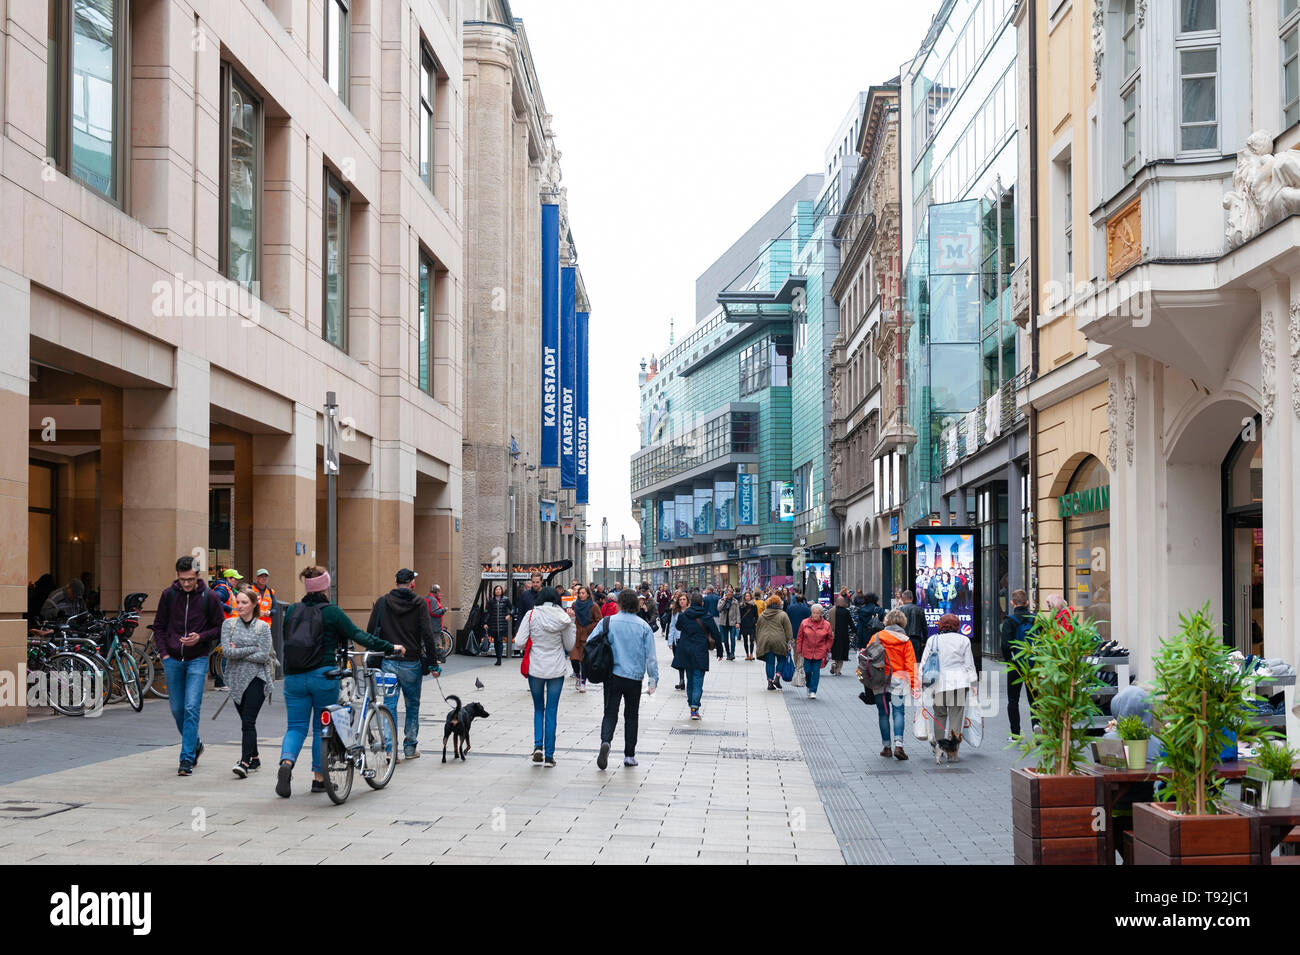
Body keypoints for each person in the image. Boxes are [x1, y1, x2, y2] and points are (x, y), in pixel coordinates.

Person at [278, 566, 402, 797]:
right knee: (319, 728)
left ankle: (286, 764)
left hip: (293, 677)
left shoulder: (293, 610)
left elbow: (287, 639)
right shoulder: (332, 612)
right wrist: (390, 646)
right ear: (325, 586)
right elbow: (359, 636)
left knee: (295, 727)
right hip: (323, 676)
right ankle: (319, 778)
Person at [151, 556, 225, 776]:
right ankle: (195, 744)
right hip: (172, 659)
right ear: (177, 576)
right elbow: (159, 626)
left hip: (197, 658)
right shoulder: (169, 595)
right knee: (177, 710)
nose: (186, 584)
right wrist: (164, 653)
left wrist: (200, 637)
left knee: (192, 708)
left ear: (198, 575)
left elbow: (220, 627)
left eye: (190, 579)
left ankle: (186, 759)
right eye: (182, 579)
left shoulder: (209, 597)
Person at [366, 568, 438, 761]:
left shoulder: (382, 603)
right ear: (411, 584)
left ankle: (390, 750)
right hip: (411, 662)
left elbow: (371, 630)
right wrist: (433, 662)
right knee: (412, 705)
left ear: (396, 582)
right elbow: (427, 634)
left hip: (388, 661)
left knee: (389, 705)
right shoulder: (419, 604)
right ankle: (409, 747)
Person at [513, 586, 576, 767]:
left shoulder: (531, 615)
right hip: (556, 668)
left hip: (536, 667)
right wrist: (571, 623)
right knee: (552, 710)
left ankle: (537, 745)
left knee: (538, 708)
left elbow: (519, 643)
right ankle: (549, 755)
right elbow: (570, 646)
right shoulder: (563, 618)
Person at [597, 589, 659, 770]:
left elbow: (592, 641)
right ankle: (629, 755)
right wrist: (653, 680)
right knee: (631, 715)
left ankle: (605, 741)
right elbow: (651, 657)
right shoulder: (643, 626)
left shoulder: (607, 622)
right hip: (634, 677)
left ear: (620, 604)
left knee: (610, 712)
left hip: (612, 675)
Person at [221, 587, 274, 777]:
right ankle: (256, 757)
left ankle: (244, 762)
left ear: (253, 605)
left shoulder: (263, 627)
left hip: (257, 678)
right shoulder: (228, 625)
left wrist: (241, 651)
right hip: (235, 679)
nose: (240, 605)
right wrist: (251, 648)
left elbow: (263, 656)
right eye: (238, 602)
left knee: (248, 721)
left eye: (244, 602)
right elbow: (227, 652)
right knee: (246, 720)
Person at [921, 613, 978, 763]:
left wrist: (921, 683)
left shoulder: (933, 640)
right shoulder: (964, 640)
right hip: (959, 683)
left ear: (941, 625)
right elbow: (969, 664)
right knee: (956, 716)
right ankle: (953, 753)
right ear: (957, 626)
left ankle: (939, 749)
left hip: (938, 684)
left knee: (939, 715)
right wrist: (973, 683)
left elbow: (924, 663)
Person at [868, 609, 919, 760]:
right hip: (899, 680)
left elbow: (867, 657)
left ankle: (886, 747)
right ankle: (899, 745)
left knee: (883, 713)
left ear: (887, 621)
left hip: (879, 680)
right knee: (898, 712)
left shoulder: (876, 637)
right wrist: (914, 685)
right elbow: (910, 664)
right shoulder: (905, 641)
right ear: (903, 622)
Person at [671, 590, 721, 720]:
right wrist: (720, 652)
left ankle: (691, 704)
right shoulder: (707, 616)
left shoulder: (684, 615)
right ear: (702, 603)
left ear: (691, 603)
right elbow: (716, 633)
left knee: (690, 680)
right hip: (700, 651)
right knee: (698, 680)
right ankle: (694, 708)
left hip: (686, 651)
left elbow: (678, 627)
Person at [1000, 588, 1037, 738]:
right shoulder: (1035, 619)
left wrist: (1009, 660)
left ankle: (1015, 734)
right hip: (1033, 664)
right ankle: (1037, 729)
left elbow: (1005, 645)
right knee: (1034, 699)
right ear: (1027, 602)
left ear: (1012, 603)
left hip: (1015, 664)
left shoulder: (1010, 621)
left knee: (1013, 699)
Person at [754, 594, 793, 691]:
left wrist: (758, 641)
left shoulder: (763, 615)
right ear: (779, 603)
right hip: (779, 640)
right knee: (781, 659)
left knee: (770, 662)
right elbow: (788, 630)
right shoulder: (783, 614)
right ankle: (777, 677)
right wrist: (790, 641)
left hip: (766, 641)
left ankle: (770, 682)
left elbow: (758, 629)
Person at [796, 604, 833, 699]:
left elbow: (829, 638)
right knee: (807, 670)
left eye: (817, 613)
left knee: (816, 671)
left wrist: (827, 648)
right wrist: (799, 649)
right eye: (814, 613)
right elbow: (800, 637)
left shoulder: (826, 625)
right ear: (811, 613)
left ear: (821, 614)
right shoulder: (804, 623)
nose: (815, 615)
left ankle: (813, 691)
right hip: (807, 650)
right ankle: (808, 684)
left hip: (820, 651)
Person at [570, 585, 602, 693]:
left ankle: (583, 682)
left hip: (587, 637)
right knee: (574, 659)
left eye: (583, 593)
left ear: (588, 594)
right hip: (576, 635)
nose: (581, 595)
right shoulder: (575, 605)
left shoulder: (594, 606)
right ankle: (577, 675)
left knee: (584, 661)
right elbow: (572, 618)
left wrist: (588, 628)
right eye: (579, 593)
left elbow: (599, 621)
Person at [666, 592, 690, 690]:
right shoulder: (675, 611)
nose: (682, 601)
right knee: (679, 661)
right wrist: (670, 641)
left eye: (684, 599)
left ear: (687, 601)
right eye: (680, 600)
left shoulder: (690, 611)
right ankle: (681, 680)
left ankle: (689, 680)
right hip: (677, 639)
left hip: (687, 639)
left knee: (687, 661)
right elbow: (672, 626)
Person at [485, 583, 512, 666]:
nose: (498, 591)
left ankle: (499, 659)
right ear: (494, 591)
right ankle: (497, 657)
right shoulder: (491, 601)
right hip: (493, 624)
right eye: (496, 589)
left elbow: (513, 608)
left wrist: (509, 614)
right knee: (496, 641)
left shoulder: (506, 599)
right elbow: (488, 613)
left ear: (502, 591)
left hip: (502, 624)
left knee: (500, 641)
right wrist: (485, 622)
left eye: (499, 589)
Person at [899, 589, 928, 664]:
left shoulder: (899, 610)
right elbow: (924, 626)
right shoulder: (919, 609)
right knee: (916, 661)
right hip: (916, 639)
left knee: (903, 660)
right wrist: (924, 640)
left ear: (903, 599)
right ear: (912, 598)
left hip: (902, 638)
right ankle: (915, 675)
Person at [829, 594, 853, 675]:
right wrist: (855, 631)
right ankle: (838, 671)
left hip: (834, 634)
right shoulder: (846, 612)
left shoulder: (832, 611)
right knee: (841, 653)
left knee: (835, 651)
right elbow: (851, 623)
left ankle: (833, 663)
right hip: (843, 635)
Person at [718, 587, 740, 661]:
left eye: (731, 594)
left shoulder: (735, 601)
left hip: (732, 622)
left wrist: (738, 622)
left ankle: (732, 653)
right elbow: (719, 609)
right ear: (726, 595)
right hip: (723, 623)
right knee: (725, 640)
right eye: (728, 594)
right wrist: (724, 601)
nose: (729, 596)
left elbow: (738, 613)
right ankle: (728, 653)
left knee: (733, 638)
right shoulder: (721, 600)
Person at [738, 591, 758, 661]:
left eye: (748, 596)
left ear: (751, 597)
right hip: (744, 625)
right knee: (745, 641)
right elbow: (739, 615)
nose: (747, 597)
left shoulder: (754, 605)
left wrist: (755, 622)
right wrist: (739, 623)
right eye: (746, 596)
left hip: (751, 625)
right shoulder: (741, 605)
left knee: (752, 640)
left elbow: (756, 616)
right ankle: (747, 654)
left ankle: (751, 654)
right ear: (744, 597)